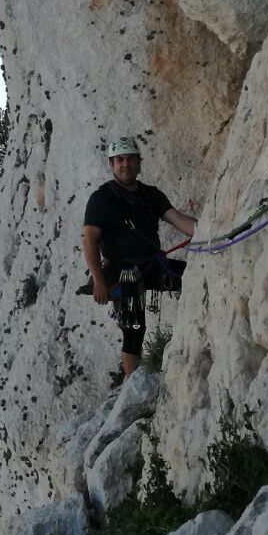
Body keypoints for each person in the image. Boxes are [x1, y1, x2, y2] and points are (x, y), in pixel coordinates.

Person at [82, 135, 196, 381]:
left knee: (195, 278)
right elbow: (90, 239)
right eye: (120, 160)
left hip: (152, 265)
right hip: (123, 272)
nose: (125, 164)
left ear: (139, 163)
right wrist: (99, 280)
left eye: (131, 159)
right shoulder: (102, 199)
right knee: (134, 329)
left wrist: (211, 229)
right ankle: (133, 387)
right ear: (112, 165)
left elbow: (178, 220)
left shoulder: (151, 195)